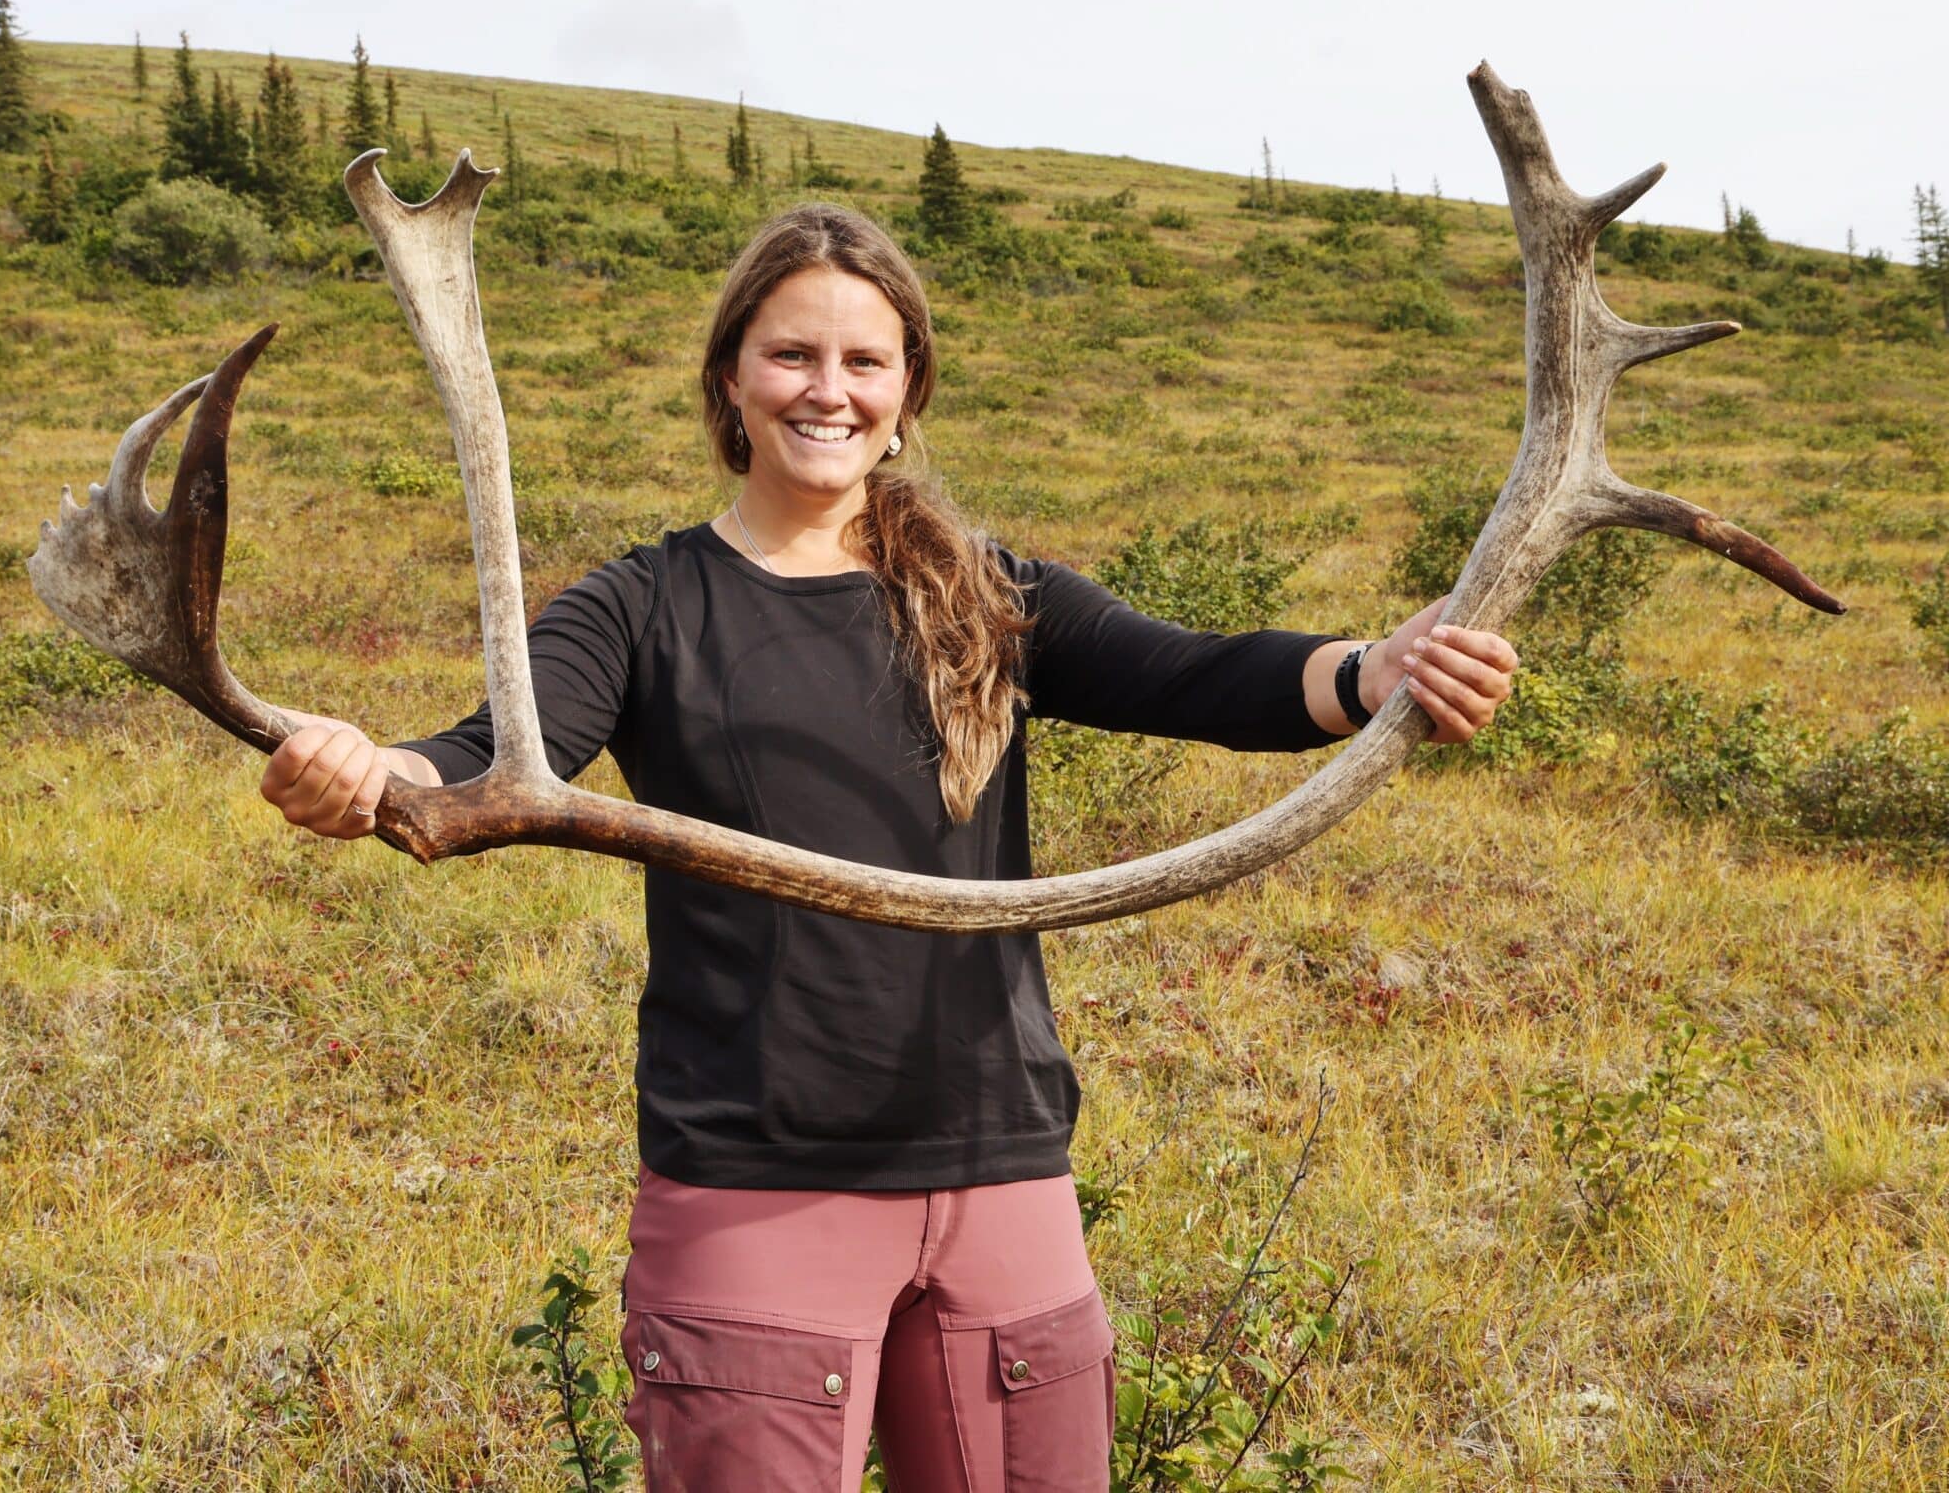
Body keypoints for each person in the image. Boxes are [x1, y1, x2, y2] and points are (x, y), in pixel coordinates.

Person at [260, 202, 1517, 1491]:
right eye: (793, 356)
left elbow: (1195, 676)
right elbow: (491, 747)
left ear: (908, 386)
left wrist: (1373, 669)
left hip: (1004, 1174)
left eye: (865, 362)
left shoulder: (985, 592)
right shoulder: (643, 607)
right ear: (731, 380)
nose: (829, 392)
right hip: (760, 1189)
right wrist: (377, 776)